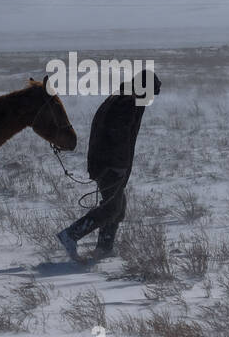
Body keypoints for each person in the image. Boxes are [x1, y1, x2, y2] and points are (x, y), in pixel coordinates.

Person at [56, 69, 161, 261]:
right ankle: (71, 235)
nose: (150, 98)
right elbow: (118, 136)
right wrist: (119, 166)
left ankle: (104, 249)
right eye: (151, 93)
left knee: (116, 207)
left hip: (103, 162)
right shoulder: (127, 103)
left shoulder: (122, 98)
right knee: (112, 208)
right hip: (109, 164)